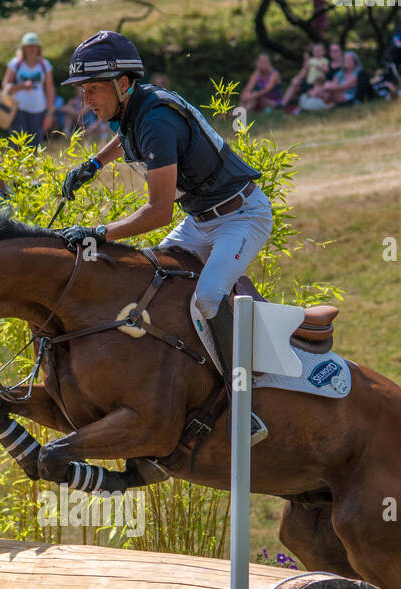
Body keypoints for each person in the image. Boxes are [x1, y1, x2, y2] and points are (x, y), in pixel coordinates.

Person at [58, 30, 274, 445]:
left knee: (208, 297)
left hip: (240, 218)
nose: (86, 100)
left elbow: (158, 212)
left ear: (122, 84)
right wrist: (92, 164)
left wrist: (99, 233)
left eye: (93, 88)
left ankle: (242, 402)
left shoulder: (156, 118)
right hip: (201, 218)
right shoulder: (138, 107)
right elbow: (126, 137)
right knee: (149, 279)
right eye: (83, 90)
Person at [3, 32, 56, 143]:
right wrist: (21, 86)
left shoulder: (45, 65)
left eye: (34, 46)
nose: (31, 49)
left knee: (35, 145)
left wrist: (49, 113)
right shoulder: (15, 64)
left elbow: (50, 89)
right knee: (18, 144)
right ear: (23, 48)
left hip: (39, 110)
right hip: (18, 109)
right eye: (28, 47)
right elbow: (5, 85)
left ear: (38, 48)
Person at [282, 43, 330, 114]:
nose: (317, 52)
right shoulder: (311, 61)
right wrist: (306, 61)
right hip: (308, 82)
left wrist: (317, 66)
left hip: (318, 83)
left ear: (324, 52)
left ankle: (303, 107)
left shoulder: (324, 61)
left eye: (319, 50)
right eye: (315, 51)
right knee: (295, 85)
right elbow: (304, 70)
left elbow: (326, 70)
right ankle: (282, 104)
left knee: (312, 93)